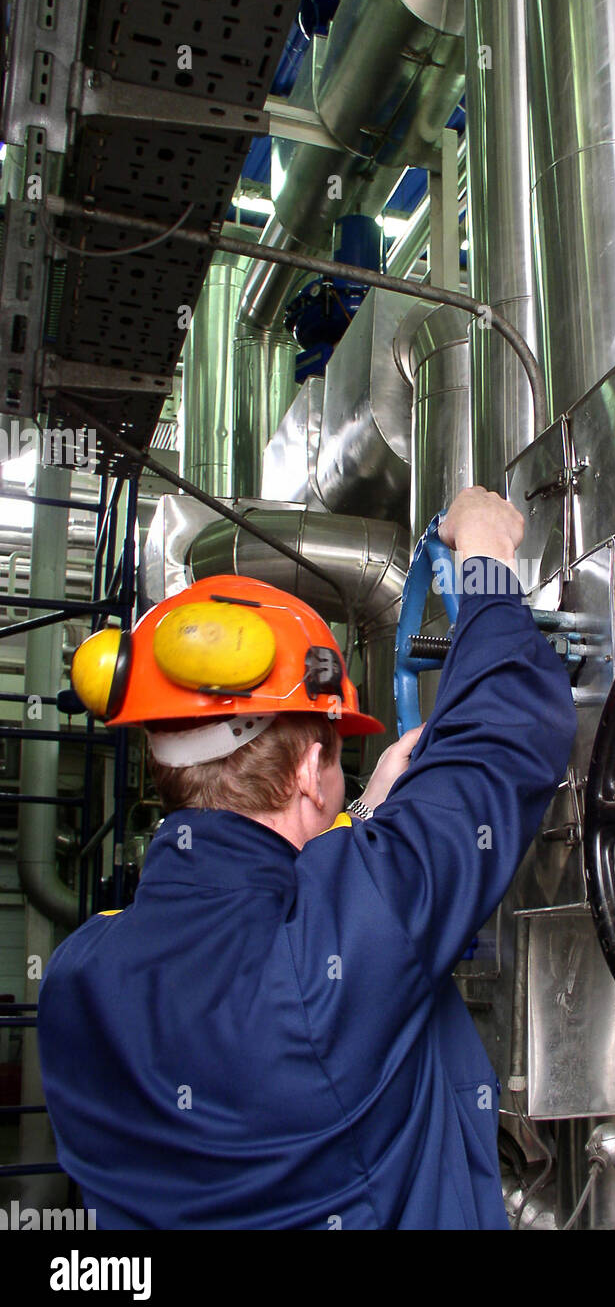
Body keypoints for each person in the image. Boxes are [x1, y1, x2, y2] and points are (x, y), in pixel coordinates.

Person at [37, 487, 577, 1229]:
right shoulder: (339, 944)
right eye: (337, 754)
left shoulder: (76, 979)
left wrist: (371, 815)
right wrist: (485, 555)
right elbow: (508, 728)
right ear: (303, 772)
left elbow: (278, 923)